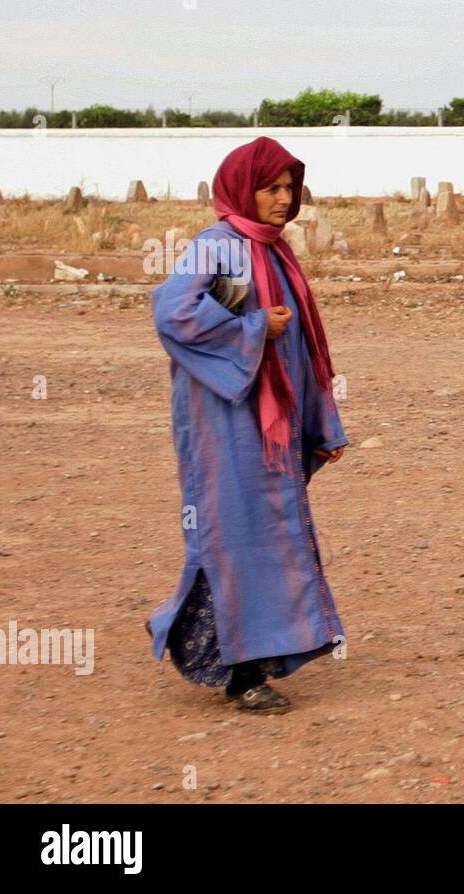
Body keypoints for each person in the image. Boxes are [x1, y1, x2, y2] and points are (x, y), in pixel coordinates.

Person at [145, 137, 349, 713]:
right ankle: (242, 671)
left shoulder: (274, 250)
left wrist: (318, 424)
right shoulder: (217, 247)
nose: (286, 199)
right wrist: (253, 327)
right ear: (243, 189)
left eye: (290, 188)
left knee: (264, 535)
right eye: (273, 188)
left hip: (272, 424)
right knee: (236, 534)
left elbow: (303, 347)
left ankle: (207, 640)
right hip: (224, 420)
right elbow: (173, 312)